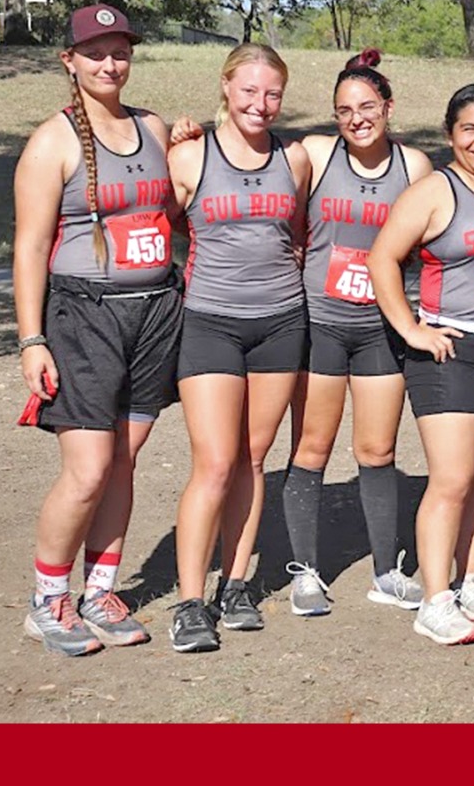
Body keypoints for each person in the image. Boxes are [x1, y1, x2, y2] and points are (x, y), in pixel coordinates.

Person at [12, 4, 178, 656]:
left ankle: (100, 590)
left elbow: (175, 203)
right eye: (95, 52)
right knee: (88, 469)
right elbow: (29, 248)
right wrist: (31, 340)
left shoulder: (155, 127)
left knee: (124, 461)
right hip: (84, 316)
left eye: (120, 51)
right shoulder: (50, 142)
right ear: (70, 60)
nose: (110, 64)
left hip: (157, 311)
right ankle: (47, 600)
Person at [368, 84, 474, 645]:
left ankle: (472, 580)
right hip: (451, 352)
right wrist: (411, 328)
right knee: (453, 478)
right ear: (450, 135)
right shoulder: (436, 190)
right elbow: (382, 258)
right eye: (469, 129)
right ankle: (435, 600)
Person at [166, 43, 312, 652]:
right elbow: (167, 225)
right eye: (249, 90)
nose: (261, 104)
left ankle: (236, 583)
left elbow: (297, 232)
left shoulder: (296, 157)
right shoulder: (189, 154)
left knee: (254, 459)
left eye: (272, 93)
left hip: (281, 321)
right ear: (225, 88)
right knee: (216, 462)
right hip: (210, 322)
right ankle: (189, 601)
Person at [278, 49, 433, 617]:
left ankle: (386, 571)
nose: (356, 118)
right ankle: (306, 572)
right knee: (312, 448)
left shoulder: (413, 166)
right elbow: (260, 158)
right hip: (320, 324)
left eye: (367, 106)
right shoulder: (318, 154)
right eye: (344, 109)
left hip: (379, 329)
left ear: (388, 108)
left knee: (377, 449)